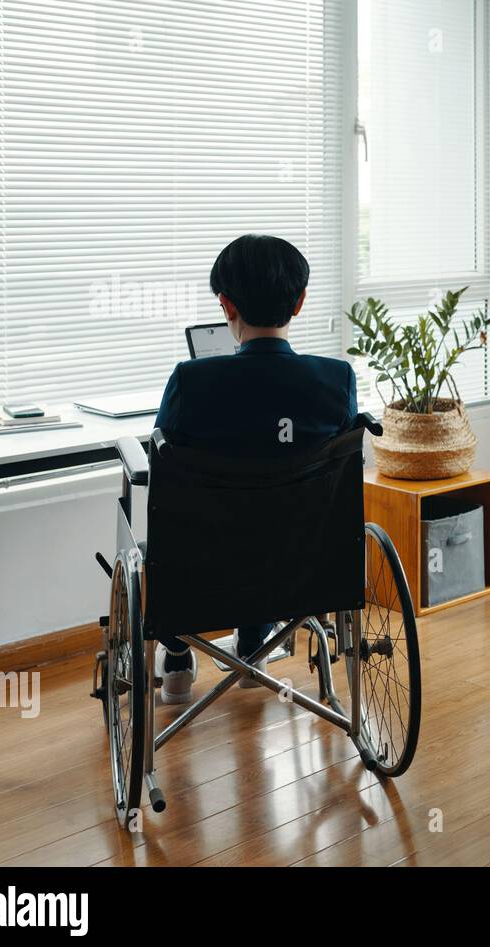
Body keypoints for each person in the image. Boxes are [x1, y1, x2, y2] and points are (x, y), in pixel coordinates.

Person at [153, 234, 359, 704]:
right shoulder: (336, 380)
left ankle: (178, 659)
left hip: (203, 574)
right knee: (274, 517)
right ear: (301, 302)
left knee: (170, 538)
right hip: (309, 569)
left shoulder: (192, 382)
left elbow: (162, 457)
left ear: (226, 305)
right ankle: (254, 646)